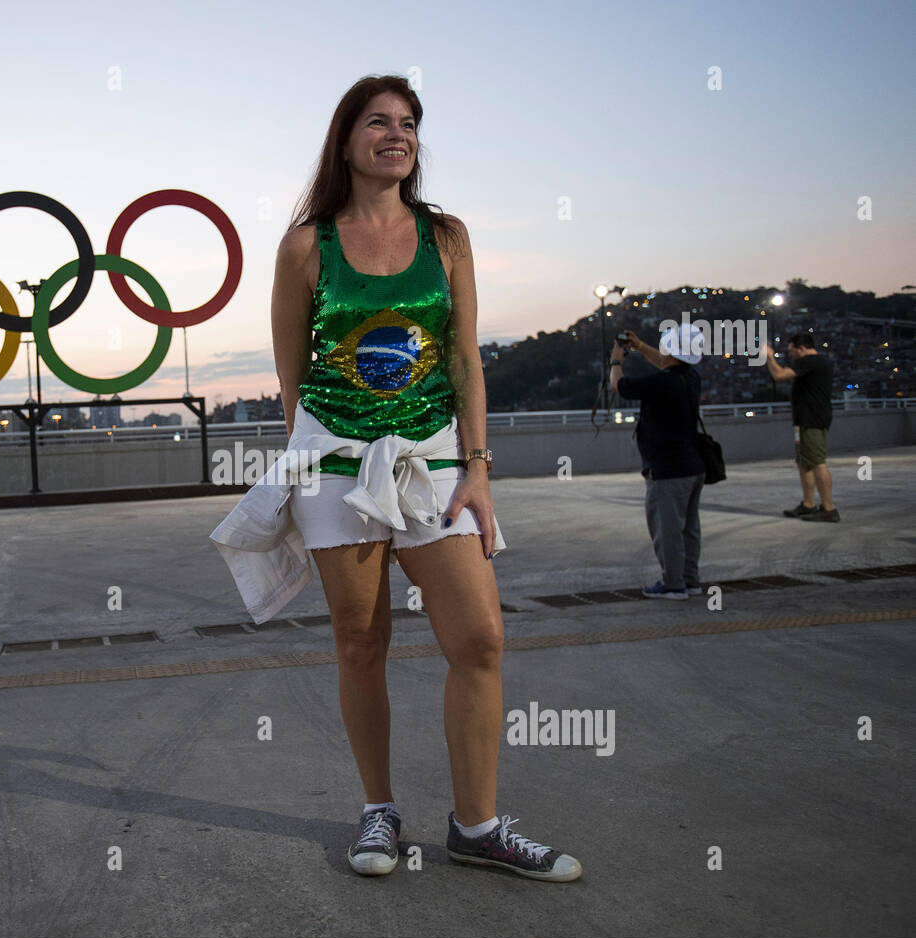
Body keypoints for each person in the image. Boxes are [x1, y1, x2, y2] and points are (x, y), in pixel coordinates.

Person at [262, 74, 580, 880]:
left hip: (435, 460)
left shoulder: (448, 237)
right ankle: (379, 814)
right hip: (337, 462)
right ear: (346, 140)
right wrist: (311, 470)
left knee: (478, 638)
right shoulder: (306, 246)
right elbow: (292, 379)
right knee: (361, 641)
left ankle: (476, 827)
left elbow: (468, 358)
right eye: (379, 122)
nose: (397, 134)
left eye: (409, 123)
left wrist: (477, 468)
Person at [611, 325, 706, 600]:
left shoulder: (662, 383)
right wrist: (640, 346)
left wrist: (616, 360)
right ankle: (690, 580)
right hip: (693, 466)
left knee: (668, 531)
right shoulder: (691, 377)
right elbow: (667, 362)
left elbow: (620, 385)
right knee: (689, 528)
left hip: (667, 470)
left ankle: (673, 584)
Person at [762, 332, 838, 522]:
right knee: (804, 462)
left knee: (817, 462)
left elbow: (779, 375)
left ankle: (828, 508)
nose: (790, 355)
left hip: (812, 419)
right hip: (805, 420)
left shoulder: (811, 361)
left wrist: (769, 356)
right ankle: (808, 504)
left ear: (802, 348)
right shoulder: (818, 362)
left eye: (792, 351)